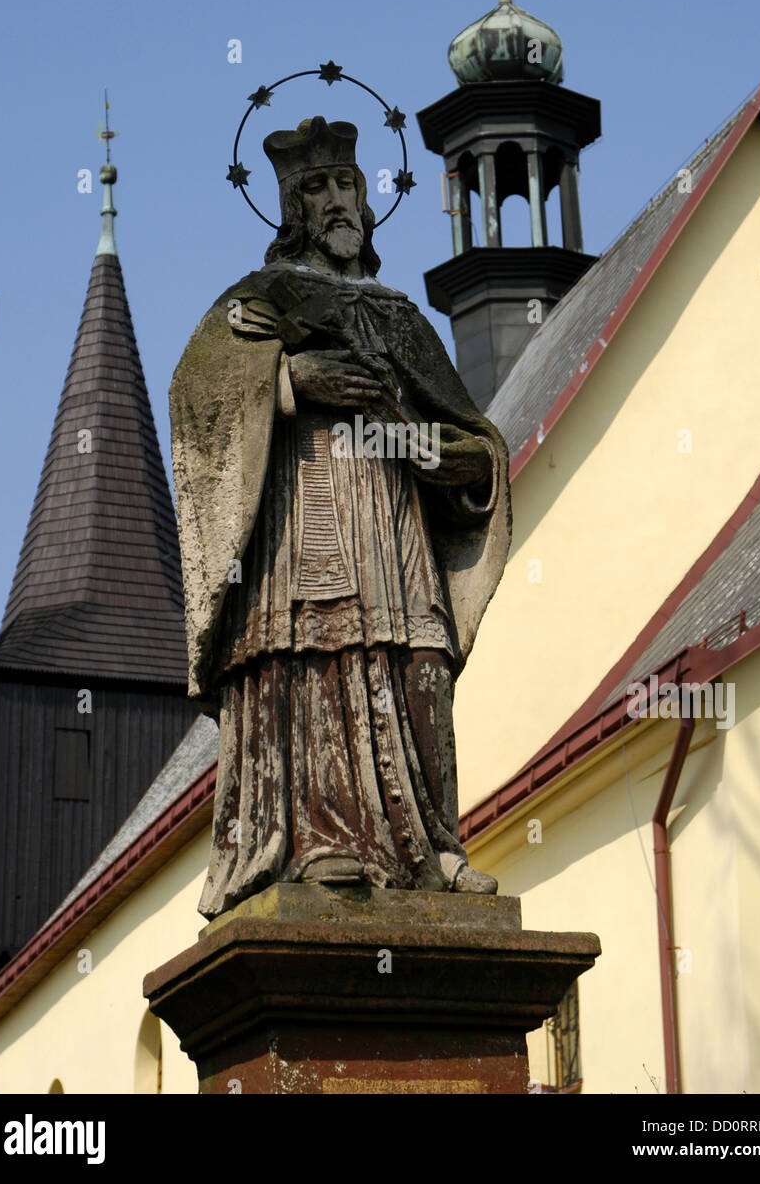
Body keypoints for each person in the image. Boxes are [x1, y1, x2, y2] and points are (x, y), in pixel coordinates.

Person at [169, 117, 511, 918]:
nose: (337, 201)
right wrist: (290, 382)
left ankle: (431, 849)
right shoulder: (256, 301)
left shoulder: (402, 319)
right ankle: (317, 842)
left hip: (395, 530)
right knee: (314, 660)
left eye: (347, 184)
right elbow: (196, 405)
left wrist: (451, 458)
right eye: (316, 188)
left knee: (420, 666)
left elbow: (473, 441)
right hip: (303, 517)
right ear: (290, 206)